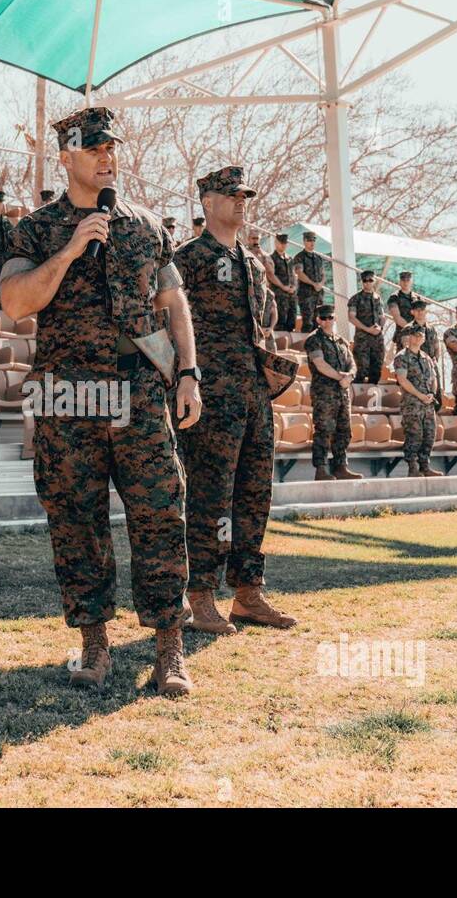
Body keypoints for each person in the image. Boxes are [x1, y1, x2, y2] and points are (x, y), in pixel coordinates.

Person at [0, 106, 203, 698]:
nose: (106, 156)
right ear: (66, 157)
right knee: (75, 518)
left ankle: (169, 648)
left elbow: (174, 303)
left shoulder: (145, 226)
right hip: (67, 392)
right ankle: (93, 644)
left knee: (161, 513)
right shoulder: (36, 229)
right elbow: (15, 303)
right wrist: (66, 253)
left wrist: (188, 373)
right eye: (93, 149)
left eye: (112, 146)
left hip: (138, 389)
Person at [174, 165, 299, 635]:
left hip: (251, 392)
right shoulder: (190, 256)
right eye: (232, 195)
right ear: (208, 202)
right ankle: (200, 597)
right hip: (210, 394)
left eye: (245, 194)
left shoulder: (248, 259)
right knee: (209, 494)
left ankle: (248, 593)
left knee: (253, 492)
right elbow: (165, 316)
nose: (242, 202)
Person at [304, 305, 362, 481]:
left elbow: (353, 364)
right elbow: (320, 364)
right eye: (324, 318)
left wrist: (349, 376)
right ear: (318, 320)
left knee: (344, 430)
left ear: (335, 318)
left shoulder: (341, 341)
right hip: (324, 393)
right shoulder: (314, 340)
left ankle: (340, 467)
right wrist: (340, 377)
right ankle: (321, 468)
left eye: (330, 317)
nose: (327, 320)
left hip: (342, 393)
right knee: (324, 430)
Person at [393, 324, 443, 477]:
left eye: (421, 336)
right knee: (414, 435)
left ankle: (425, 465)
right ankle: (413, 467)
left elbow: (433, 378)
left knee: (429, 434)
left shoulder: (427, 357)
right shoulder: (402, 357)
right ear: (409, 337)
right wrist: (420, 395)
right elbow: (402, 380)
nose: (418, 338)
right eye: (415, 335)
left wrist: (431, 394)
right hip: (412, 404)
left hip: (427, 404)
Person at [347, 270, 385, 384]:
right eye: (365, 280)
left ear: (374, 281)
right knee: (361, 370)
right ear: (362, 282)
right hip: (362, 339)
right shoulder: (355, 299)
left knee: (376, 371)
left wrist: (380, 328)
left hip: (377, 339)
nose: (368, 283)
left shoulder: (378, 298)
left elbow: (382, 316)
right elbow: (351, 317)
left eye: (370, 280)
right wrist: (368, 329)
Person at [292, 230, 326, 333]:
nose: (312, 243)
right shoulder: (300, 257)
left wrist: (320, 284)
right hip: (306, 295)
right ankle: (306, 346)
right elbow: (299, 273)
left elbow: (323, 274)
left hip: (318, 295)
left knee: (319, 322)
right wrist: (313, 284)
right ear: (304, 241)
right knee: (308, 323)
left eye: (313, 240)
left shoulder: (318, 258)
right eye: (309, 240)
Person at [386, 271, 418, 347]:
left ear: (411, 282)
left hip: (417, 336)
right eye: (403, 280)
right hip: (403, 335)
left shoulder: (417, 298)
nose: (406, 283)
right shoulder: (394, 297)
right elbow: (397, 318)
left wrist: (419, 331)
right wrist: (413, 330)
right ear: (400, 282)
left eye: (408, 280)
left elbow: (421, 316)